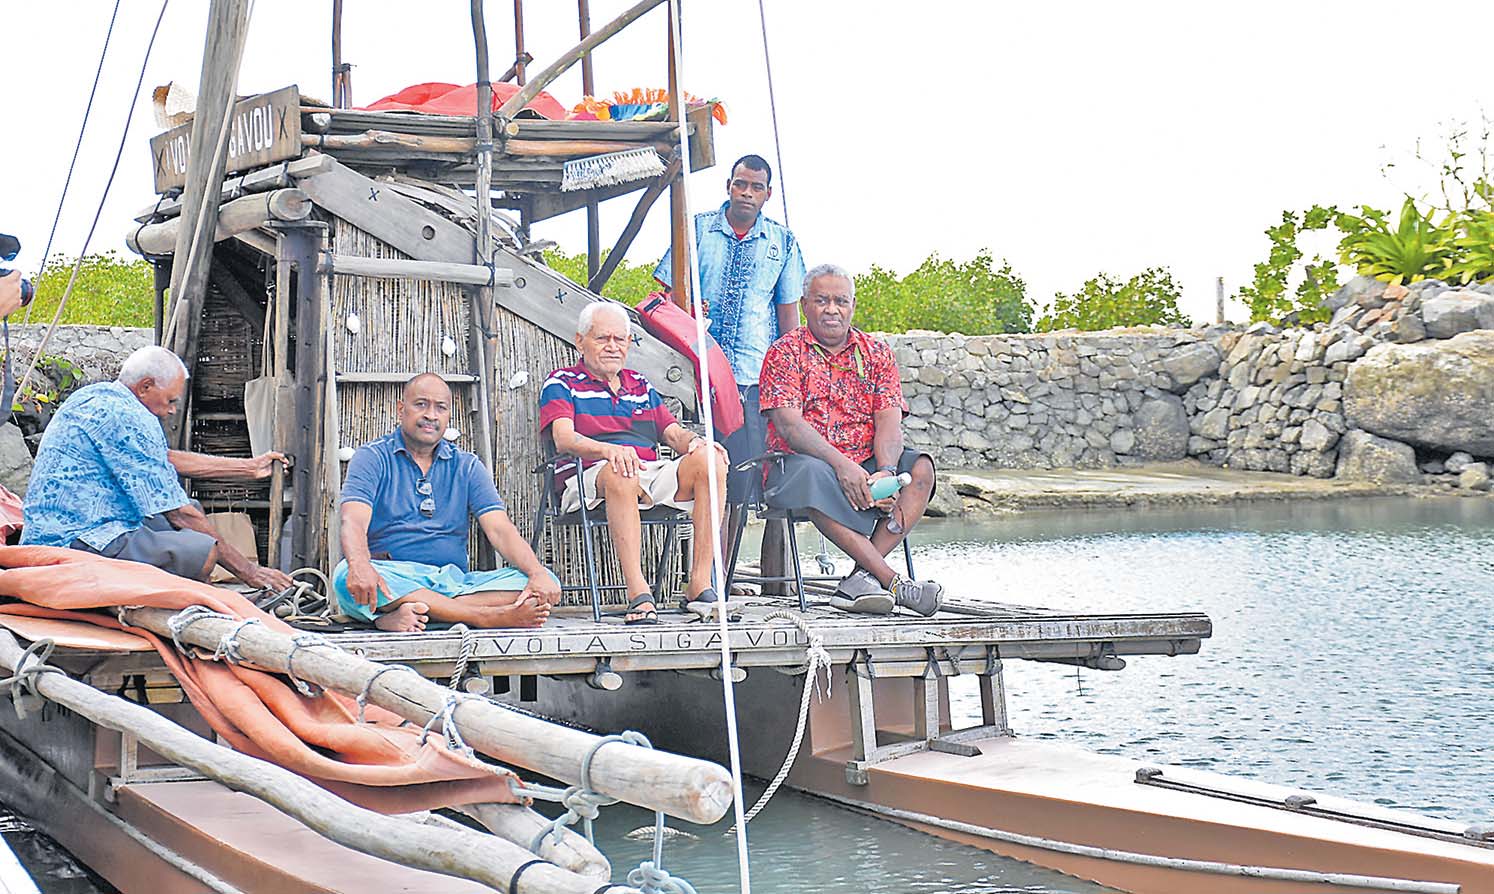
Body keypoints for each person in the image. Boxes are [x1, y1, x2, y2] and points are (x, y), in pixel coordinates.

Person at [22, 346, 291, 589]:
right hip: (77, 540)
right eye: (171, 400)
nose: (173, 410)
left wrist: (249, 468)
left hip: (55, 531)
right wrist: (250, 571)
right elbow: (180, 515)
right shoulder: (129, 416)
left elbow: (162, 458)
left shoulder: (95, 397)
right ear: (145, 386)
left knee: (192, 527)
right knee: (203, 551)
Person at [758, 264, 944, 616]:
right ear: (804, 305)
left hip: (867, 464)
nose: (832, 309)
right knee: (812, 475)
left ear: (852, 306)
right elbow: (789, 427)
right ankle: (893, 582)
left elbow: (889, 420)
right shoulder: (784, 352)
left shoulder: (876, 352)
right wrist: (843, 467)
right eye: (822, 300)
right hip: (797, 466)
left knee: (920, 468)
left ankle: (859, 579)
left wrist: (887, 473)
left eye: (840, 301)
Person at [539, 301, 733, 624]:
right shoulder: (562, 382)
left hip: (647, 473)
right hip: (586, 475)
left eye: (619, 339)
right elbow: (564, 439)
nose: (612, 346)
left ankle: (699, 584)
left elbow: (672, 434)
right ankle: (639, 594)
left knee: (711, 462)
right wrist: (607, 450)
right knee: (621, 470)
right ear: (580, 341)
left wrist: (696, 442)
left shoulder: (639, 385)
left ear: (629, 344)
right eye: (602, 339)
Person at [336, 373, 561, 632]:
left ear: (448, 415)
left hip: (455, 582)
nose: (431, 415)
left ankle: (410, 614)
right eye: (421, 404)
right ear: (401, 409)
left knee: (542, 580)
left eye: (440, 407)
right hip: (394, 576)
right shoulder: (372, 457)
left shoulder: (467, 465)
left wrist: (536, 572)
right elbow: (353, 519)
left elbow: (500, 529)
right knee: (345, 576)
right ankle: (482, 617)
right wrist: (361, 565)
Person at [653, 154, 805, 499]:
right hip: (695, 375)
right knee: (705, 476)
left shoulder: (782, 242)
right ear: (729, 186)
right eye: (741, 184)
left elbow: (788, 318)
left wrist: (791, 380)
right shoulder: (697, 229)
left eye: (756, 187)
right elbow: (667, 297)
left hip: (753, 380)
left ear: (768, 194)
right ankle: (707, 554)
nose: (747, 193)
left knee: (748, 482)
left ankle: (742, 554)